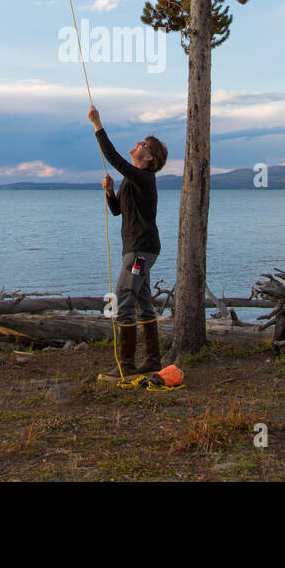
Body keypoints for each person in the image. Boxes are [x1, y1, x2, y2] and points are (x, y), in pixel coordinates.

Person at [86, 105, 168, 379]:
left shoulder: (144, 178)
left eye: (143, 144)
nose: (137, 144)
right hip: (138, 250)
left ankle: (127, 367)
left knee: (122, 298)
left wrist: (97, 124)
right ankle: (153, 362)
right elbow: (117, 210)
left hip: (140, 251)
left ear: (149, 159)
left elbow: (113, 157)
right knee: (143, 302)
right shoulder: (132, 181)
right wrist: (109, 192)